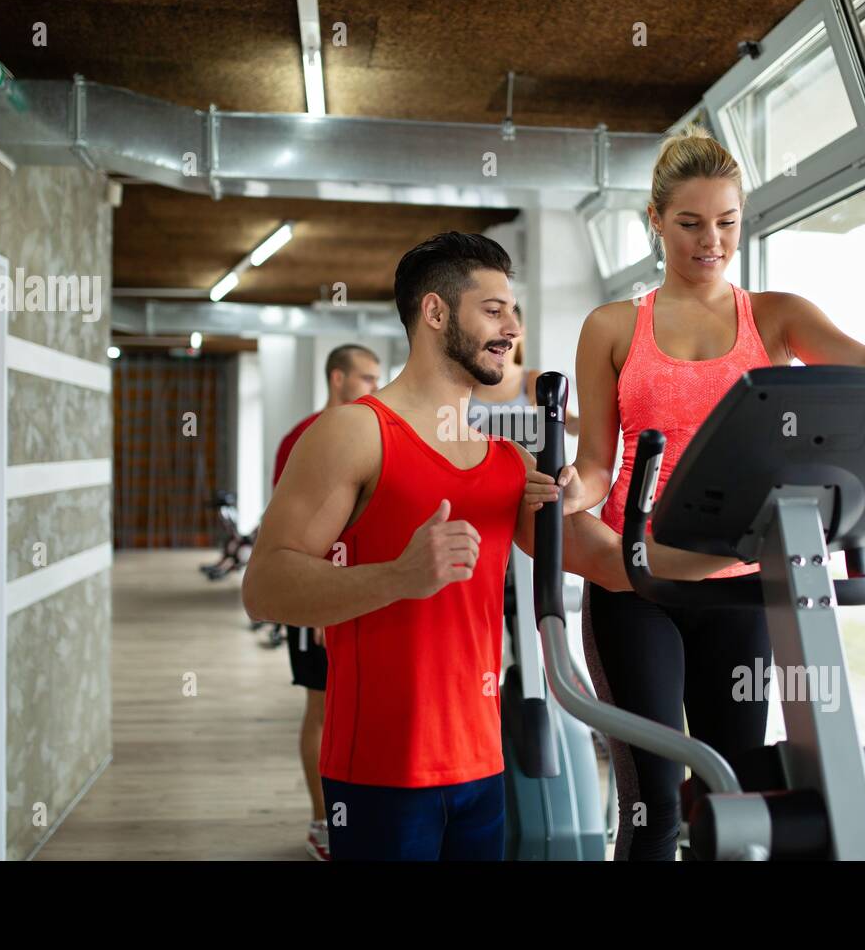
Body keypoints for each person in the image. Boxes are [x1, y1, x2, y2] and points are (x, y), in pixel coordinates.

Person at [553, 125, 865, 861]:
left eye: (726, 222)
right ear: (654, 221)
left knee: (734, 797)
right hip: (640, 580)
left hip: (744, 588)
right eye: (689, 223)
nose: (710, 241)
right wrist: (569, 489)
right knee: (652, 801)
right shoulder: (614, 326)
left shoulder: (774, 315)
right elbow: (597, 462)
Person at [242, 231, 708, 861]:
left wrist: (732, 546)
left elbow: (612, 562)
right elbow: (265, 586)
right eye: (493, 310)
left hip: (481, 766)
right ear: (435, 313)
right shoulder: (355, 434)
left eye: (514, 312)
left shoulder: (508, 464)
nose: (512, 327)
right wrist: (398, 577)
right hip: (379, 774)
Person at [270, 343, 381, 861]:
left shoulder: (373, 433)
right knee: (321, 706)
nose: (375, 388)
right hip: (318, 597)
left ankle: (359, 814)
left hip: (362, 595)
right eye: (366, 377)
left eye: (380, 377)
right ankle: (324, 821)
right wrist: (317, 602)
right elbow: (291, 540)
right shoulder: (306, 437)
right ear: (337, 378)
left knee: (359, 706)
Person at [467, 304, 580, 443]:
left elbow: (568, 423)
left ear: (521, 332)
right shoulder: (466, 380)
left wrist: (593, 420)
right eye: (495, 329)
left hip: (526, 464)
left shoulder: (533, 381)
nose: (501, 337)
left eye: (509, 331)